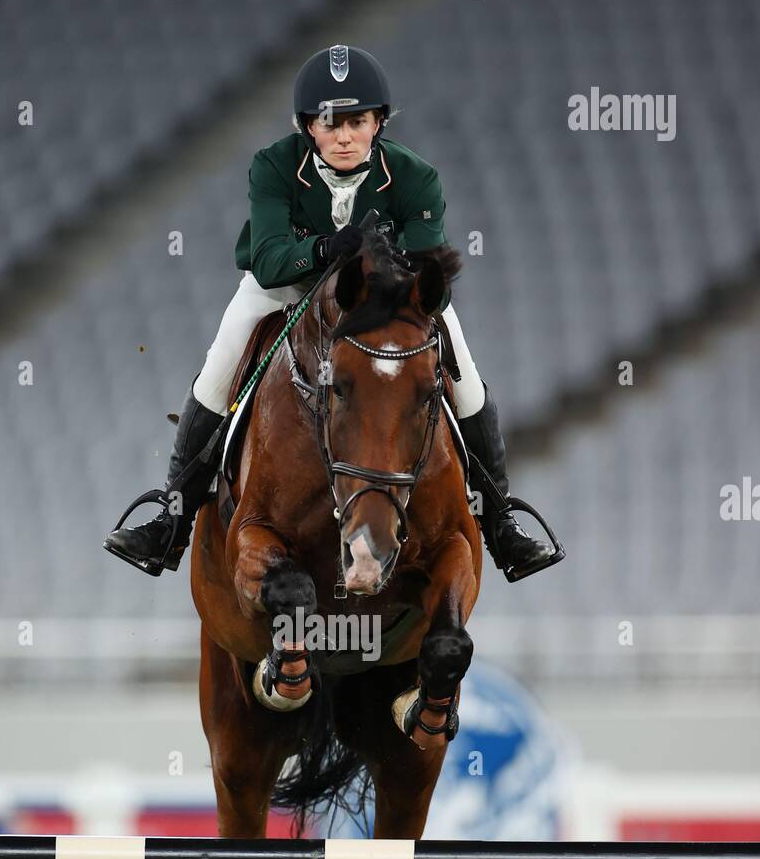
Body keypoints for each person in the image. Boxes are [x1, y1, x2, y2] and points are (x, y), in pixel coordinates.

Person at [104, 44, 558, 581]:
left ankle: (500, 522)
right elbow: (271, 258)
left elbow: (426, 266)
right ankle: (170, 523)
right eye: (328, 122)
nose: (343, 136)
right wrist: (323, 251)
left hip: (385, 298)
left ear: (378, 122)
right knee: (220, 363)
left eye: (357, 121)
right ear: (307, 127)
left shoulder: (416, 178)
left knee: (467, 377)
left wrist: (372, 272)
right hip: (287, 284)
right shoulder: (273, 166)